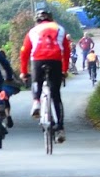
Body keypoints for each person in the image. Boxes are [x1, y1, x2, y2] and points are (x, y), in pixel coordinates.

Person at [19, 8, 70, 143]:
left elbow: (24, 53)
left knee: (37, 82)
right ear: (51, 19)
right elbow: (66, 51)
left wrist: (23, 72)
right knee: (55, 95)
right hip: (55, 60)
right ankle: (59, 128)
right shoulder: (60, 29)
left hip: (38, 59)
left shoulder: (33, 31)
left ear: (37, 20)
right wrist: (64, 70)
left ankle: (36, 102)